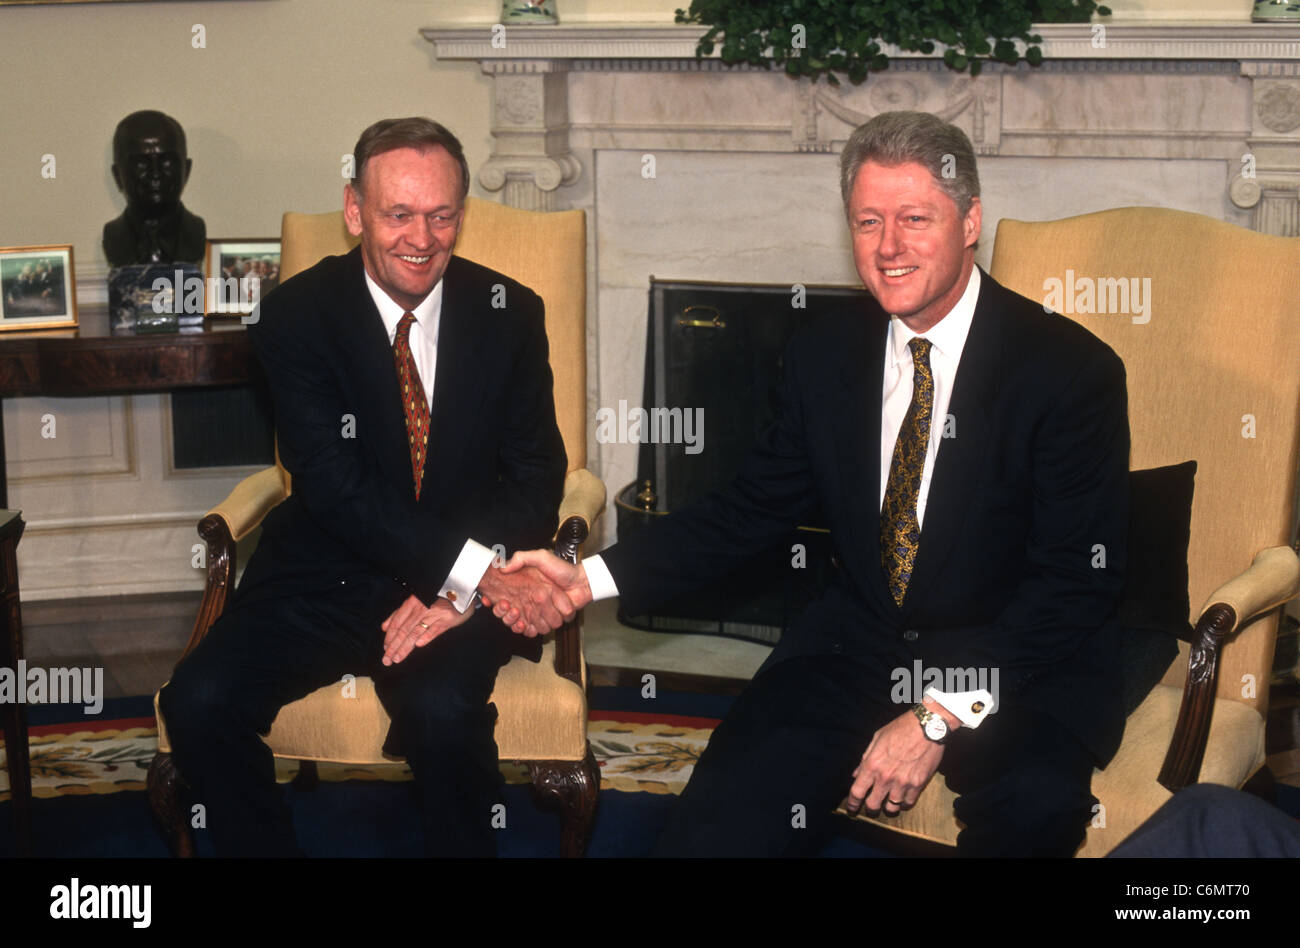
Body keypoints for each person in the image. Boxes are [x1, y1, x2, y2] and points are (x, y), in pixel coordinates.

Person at [490, 110, 1131, 857]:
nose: (888, 247)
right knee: (713, 829)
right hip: (858, 642)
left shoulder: (1069, 371)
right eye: (867, 221)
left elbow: (1072, 587)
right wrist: (580, 579)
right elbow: (746, 511)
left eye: (914, 218)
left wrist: (935, 717)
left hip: (1016, 657)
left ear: (969, 222)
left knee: (1035, 806)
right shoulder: (825, 355)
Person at [159, 117, 577, 857]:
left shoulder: (510, 313)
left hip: (459, 590)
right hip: (327, 571)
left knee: (442, 711)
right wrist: (471, 569)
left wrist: (462, 592)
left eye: (442, 215)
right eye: (399, 215)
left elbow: (538, 477)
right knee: (199, 701)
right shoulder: (294, 316)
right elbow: (335, 485)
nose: (423, 238)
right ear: (355, 210)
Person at [102, 110, 206, 267]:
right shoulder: (114, 236)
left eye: (167, 161)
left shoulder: (195, 232)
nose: (155, 174)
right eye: (141, 163)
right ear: (117, 175)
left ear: (187, 169)